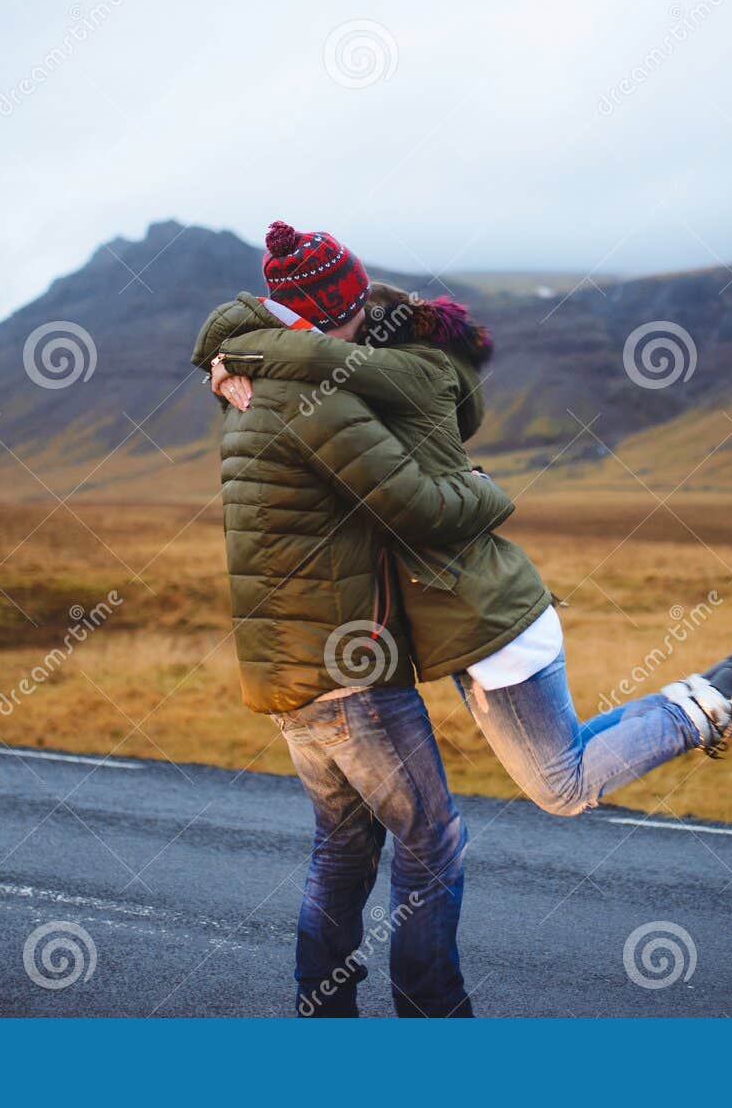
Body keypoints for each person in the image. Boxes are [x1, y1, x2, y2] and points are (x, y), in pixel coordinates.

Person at [208, 222, 732, 824]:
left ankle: (710, 705)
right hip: (480, 620)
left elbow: (316, 356)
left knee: (561, 787)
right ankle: (709, 693)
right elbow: (317, 355)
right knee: (570, 751)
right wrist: (227, 357)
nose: (341, 336)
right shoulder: (376, 376)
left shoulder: (416, 373)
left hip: (487, 617)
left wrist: (242, 356)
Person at [190, 226, 507, 1018]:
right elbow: (420, 504)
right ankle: (435, 1021)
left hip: (292, 669)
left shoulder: (257, 381)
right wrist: (486, 488)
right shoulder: (307, 396)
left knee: (345, 845)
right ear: (346, 307)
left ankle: (321, 1013)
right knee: (431, 845)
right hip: (346, 672)